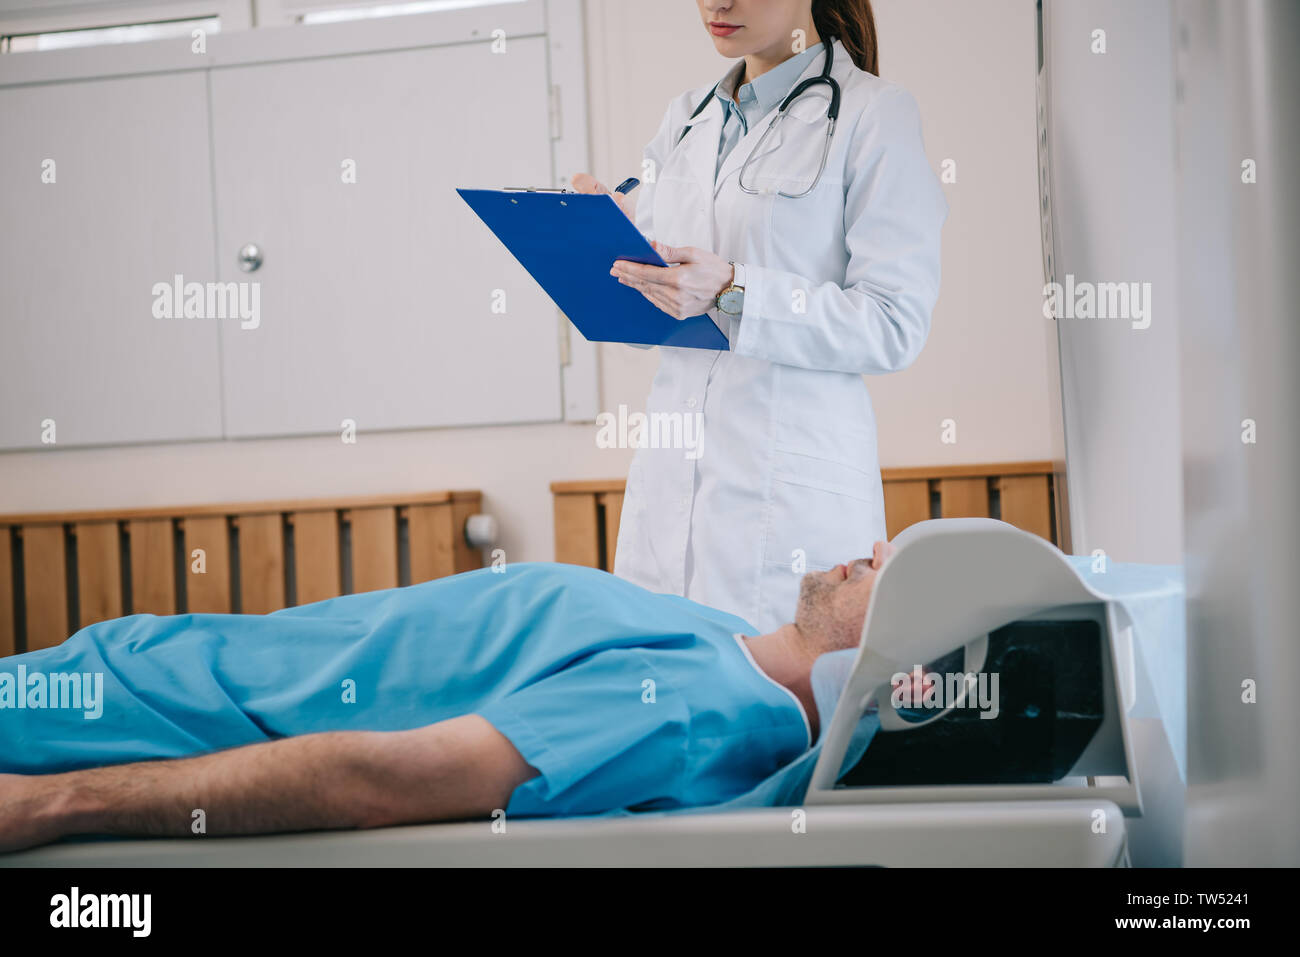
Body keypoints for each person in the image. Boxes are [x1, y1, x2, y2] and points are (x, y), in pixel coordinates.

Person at [0, 542, 895, 853]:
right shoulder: (720, 641)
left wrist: (57, 801)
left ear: (900, 648)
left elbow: (372, 780)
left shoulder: (690, 707)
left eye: (894, 567)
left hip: (133, 717)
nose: (870, 544)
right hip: (156, 661)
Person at [572, 0, 946, 634]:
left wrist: (735, 291)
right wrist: (608, 246)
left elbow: (893, 323)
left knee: (778, 714)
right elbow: (666, 301)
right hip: (671, 488)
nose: (718, 3)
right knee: (664, 698)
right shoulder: (684, 121)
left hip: (789, 495)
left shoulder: (872, 113)